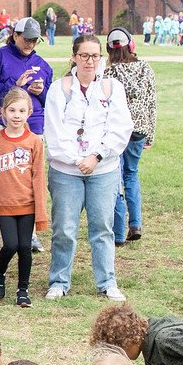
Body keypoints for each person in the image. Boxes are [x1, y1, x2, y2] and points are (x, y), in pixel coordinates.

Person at [43, 32, 130, 303]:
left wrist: (96, 156)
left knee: (102, 227)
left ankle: (107, 281)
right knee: (64, 229)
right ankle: (59, 281)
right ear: (74, 57)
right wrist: (76, 159)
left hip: (102, 170)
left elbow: (120, 128)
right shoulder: (60, 88)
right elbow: (54, 131)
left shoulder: (112, 88)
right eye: (84, 55)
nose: (89, 61)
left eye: (94, 55)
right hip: (66, 170)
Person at [0, 87, 48, 306]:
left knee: (25, 247)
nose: (17, 115)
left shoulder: (34, 142)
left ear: (29, 112)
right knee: (11, 245)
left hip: (28, 204)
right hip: (4, 204)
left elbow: (39, 179)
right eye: (12, 110)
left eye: (22, 111)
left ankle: (22, 290)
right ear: (4, 112)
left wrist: (41, 214)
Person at [104, 30, 156, 245]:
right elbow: (152, 103)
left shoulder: (109, 74)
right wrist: (150, 134)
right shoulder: (145, 68)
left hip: (117, 130)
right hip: (140, 130)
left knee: (115, 178)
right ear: (131, 45)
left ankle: (117, 232)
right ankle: (135, 223)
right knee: (132, 175)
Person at [0, 17, 53, 135]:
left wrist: (41, 92)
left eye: (34, 40)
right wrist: (14, 85)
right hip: (1, 121)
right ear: (15, 36)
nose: (31, 44)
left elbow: (51, 101)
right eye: (27, 40)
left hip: (33, 125)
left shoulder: (43, 65)